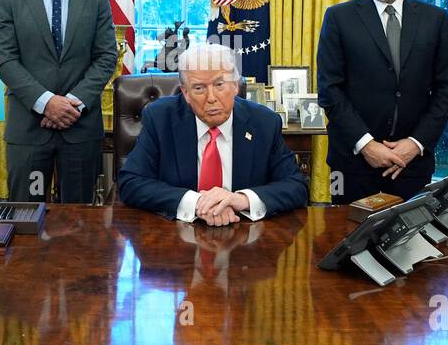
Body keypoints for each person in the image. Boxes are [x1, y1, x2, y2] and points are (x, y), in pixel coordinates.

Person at [316, 0, 448, 204]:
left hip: (412, 164)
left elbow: (445, 90)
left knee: (409, 242)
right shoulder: (338, 18)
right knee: (348, 240)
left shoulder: (435, 19)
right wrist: (367, 145)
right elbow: (329, 90)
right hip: (352, 164)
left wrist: (415, 144)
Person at [0, 0, 117, 203]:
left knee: (80, 222)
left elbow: (107, 56)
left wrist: (71, 103)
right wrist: (46, 103)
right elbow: (5, 59)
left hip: (80, 127)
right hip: (29, 128)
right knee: (26, 213)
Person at [118, 43, 308, 223]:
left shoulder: (264, 123)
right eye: (199, 88)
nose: (211, 98)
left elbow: (296, 186)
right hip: (176, 236)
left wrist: (241, 199)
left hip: (245, 236)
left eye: (219, 85)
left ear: (235, 86)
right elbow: (131, 182)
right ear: (185, 93)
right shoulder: (160, 119)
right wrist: (196, 203)